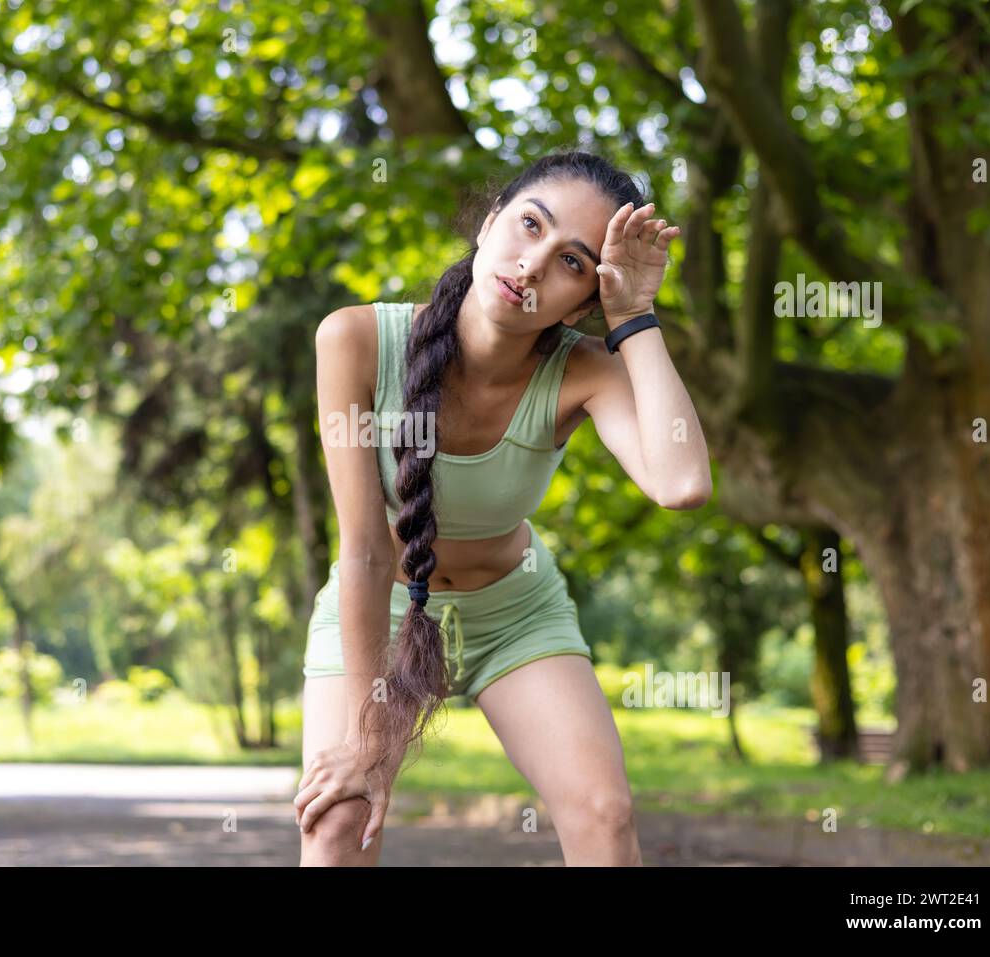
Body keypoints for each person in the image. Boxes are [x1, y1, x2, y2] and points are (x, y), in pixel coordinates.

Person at [295, 150, 711, 866]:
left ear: (585, 302)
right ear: (489, 223)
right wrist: (365, 743)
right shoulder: (355, 340)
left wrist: (635, 317)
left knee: (605, 815)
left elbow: (681, 483)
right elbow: (364, 548)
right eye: (528, 225)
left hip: (515, 615)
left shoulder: (583, 370)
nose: (532, 265)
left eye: (572, 263)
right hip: (383, 605)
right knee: (339, 820)